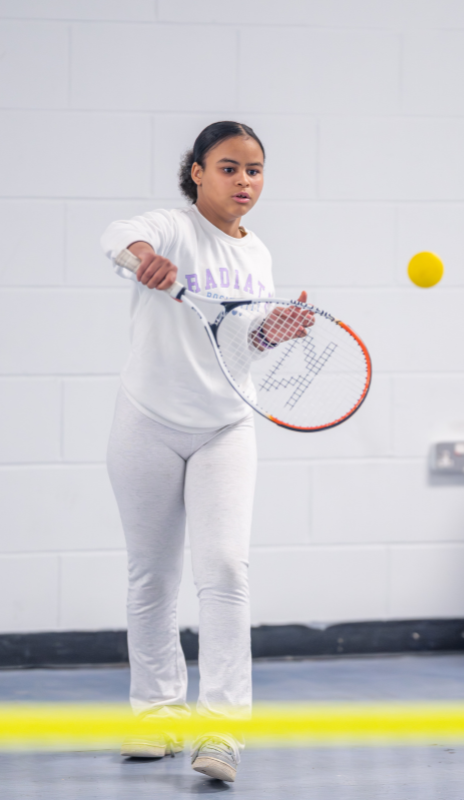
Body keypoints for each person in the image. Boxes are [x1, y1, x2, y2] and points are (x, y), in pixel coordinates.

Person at [100, 121, 294, 783]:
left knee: (225, 571)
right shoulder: (173, 228)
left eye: (255, 170)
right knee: (151, 576)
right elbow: (116, 235)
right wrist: (138, 254)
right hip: (147, 421)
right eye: (230, 167)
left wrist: (274, 333)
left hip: (224, 429)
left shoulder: (258, 257)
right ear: (197, 173)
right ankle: (156, 716)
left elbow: (237, 345)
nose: (245, 181)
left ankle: (221, 734)